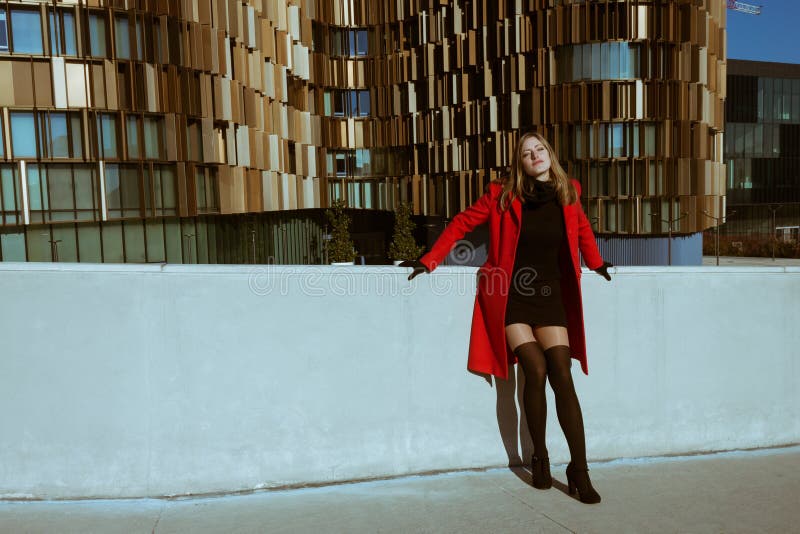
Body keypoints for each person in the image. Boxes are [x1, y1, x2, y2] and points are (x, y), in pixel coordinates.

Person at [400, 132, 613, 504]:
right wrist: (429, 259)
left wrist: (596, 262)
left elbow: (581, 230)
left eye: (540, 149)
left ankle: (579, 470)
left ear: (549, 154)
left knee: (562, 372)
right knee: (534, 367)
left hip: (549, 295)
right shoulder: (502, 195)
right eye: (527, 153)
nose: (535, 155)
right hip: (511, 295)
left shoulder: (569, 192)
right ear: (521, 162)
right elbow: (462, 223)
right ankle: (539, 457)